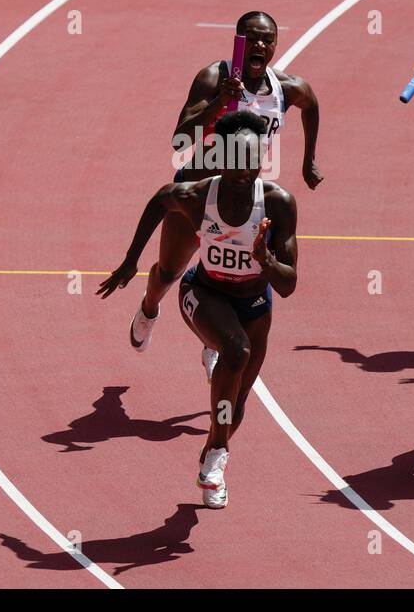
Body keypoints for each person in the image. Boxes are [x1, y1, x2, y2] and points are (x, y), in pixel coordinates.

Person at [97, 111, 299, 508]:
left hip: (256, 304)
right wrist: (130, 259)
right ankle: (152, 312)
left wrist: (267, 260)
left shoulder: (278, 203)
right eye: (237, 159)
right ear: (222, 158)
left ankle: (212, 455)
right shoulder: (197, 196)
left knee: (235, 404)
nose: (245, 169)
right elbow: (160, 199)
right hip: (203, 293)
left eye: (253, 159)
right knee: (235, 350)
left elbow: (289, 285)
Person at [127, 11, 319, 352]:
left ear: (275, 44)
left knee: (236, 280)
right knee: (169, 273)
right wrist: (218, 102)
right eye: (251, 37)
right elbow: (180, 141)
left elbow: (311, 104)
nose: (259, 43)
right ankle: (149, 307)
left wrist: (309, 161)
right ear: (238, 42)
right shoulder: (214, 77)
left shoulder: (286, 89)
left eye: (267, 39)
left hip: (245, 203)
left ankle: (217, 338)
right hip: (199, 199)